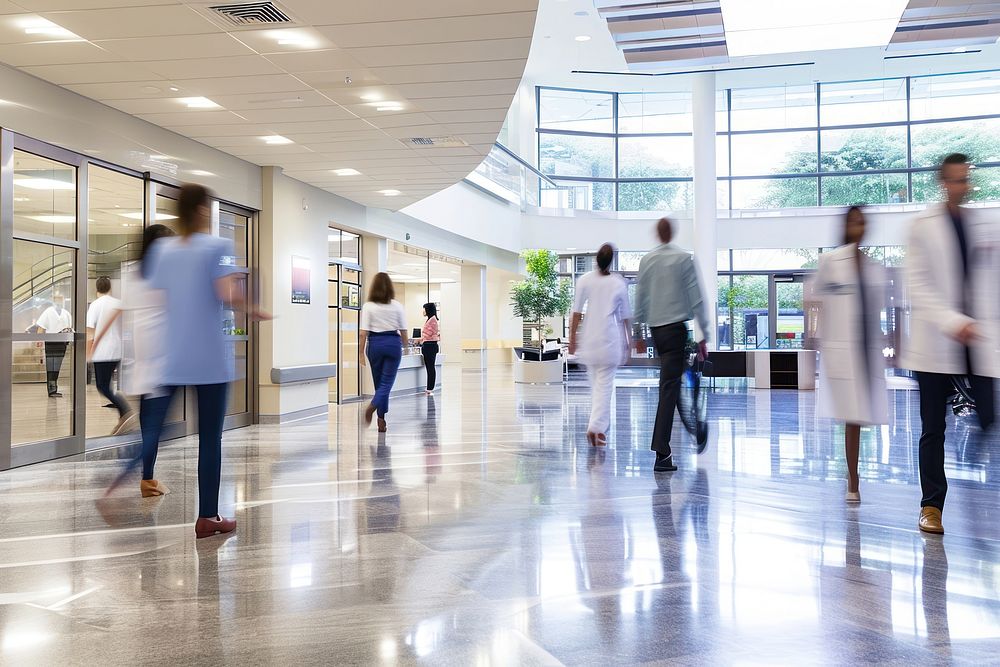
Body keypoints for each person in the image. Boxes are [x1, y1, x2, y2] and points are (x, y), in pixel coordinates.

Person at [144, 184, 269, 538]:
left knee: (155, 426)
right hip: (209, 359)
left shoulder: (163, 250)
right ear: (201, 210)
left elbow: (157, 301)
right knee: (209, 438)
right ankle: (208, 517)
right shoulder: (217, 246)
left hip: (172, 356)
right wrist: (251, 307)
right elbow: (227, 294)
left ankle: (143, 474)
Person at [903, 153, 999, 535]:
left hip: (977, 341)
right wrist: (953, 322)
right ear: (943, 183)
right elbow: (919, 285)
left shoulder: (982, 225)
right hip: (935, 345)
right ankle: (931, 507)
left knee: (990, 418)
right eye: (955, 180)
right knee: (933, 429)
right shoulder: (921, 227)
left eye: (966, 179)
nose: (962, 186)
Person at [812, 206, 888, 503]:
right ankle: (853, 477)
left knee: (862, 414)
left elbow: (877, 308)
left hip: (866, 348)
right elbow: (819, 301)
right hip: (842, 349)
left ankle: (853, 475)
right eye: (854, 221)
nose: (859, 226)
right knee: (851, 418)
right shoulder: (831, 261)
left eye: (863, 221)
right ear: (846, 226)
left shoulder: (873, 267)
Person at [97, 224, 175, 498]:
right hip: (162, 361)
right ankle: (130, 481)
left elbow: (118, 313)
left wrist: (101, 341)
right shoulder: (167, 274)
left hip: (140, 363)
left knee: (151, 425)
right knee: (155, 428)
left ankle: (148, 479)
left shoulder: (131, 272)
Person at [634, 217, 711, 473]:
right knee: (669, 387)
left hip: (658, 332)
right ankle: (663, 451)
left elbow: (641, 296)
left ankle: (692, 427)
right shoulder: (682, 258)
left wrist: (638, 333)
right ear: (672, 233)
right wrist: (704, 334)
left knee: (671, 383)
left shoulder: (647, 260)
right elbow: (696, 296)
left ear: (657, 233)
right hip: (677, 330)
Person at [568, 243, 632, 448]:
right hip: (609, 340)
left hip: (589, 340)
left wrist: (572, 339)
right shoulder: (618, 282)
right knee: (604, 387)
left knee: (597, 386)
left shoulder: (584, 280)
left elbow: (576, 313)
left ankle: (599, 427)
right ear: (611, 260)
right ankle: (596, 427)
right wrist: (629, 342)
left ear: (596, 259)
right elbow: (625, 317)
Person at [87, 276, 136, 436]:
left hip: (102, 352)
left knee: (102, 386)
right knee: (108, 384)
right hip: (118, 350)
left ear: (97, 289)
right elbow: (126, 327)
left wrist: (88, 352)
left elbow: (90, 331)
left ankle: (126, 411)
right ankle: (124, 416)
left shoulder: (95, 305)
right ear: (109, 288)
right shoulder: (117, 303)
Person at [360, 272, 408, 432]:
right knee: (386, 384)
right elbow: (403, 330)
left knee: (379, 384)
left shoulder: (368, 306)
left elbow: (363, 333)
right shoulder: (397, 305)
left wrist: (360, 353)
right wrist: (406, 347)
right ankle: (374, 408)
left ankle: (381, 419)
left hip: (374, 345)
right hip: (393, 345)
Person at [36, 294, 72, 397]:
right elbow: (41, 327)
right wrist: (39, 340)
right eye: (57, 299)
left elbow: (69, 328)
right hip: (51, 342)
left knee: (57, 366)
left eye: (61, 299)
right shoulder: (48, 312)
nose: (59, 301)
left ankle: (54, 388)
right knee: (51, 366)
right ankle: (51, 390)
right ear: (53, 300)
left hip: (62, 342)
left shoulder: (66, 313)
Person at [414, 302, 440, 394]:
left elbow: (428, 335)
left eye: (424, 309)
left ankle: (430, 388)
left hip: (430, 346)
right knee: (429, 367)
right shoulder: (430, 320)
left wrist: (420, 340)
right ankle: (429, 387)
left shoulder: (432, 320)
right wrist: (420, 340)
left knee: (430, 367)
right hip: (428, 346)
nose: (423, 311)